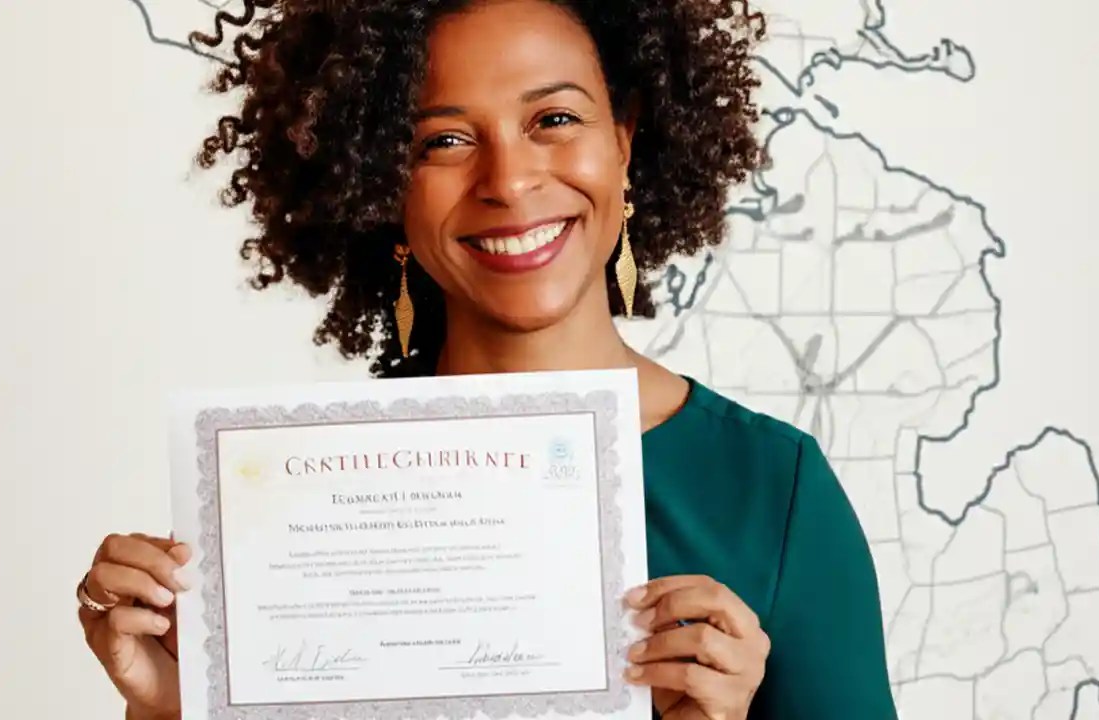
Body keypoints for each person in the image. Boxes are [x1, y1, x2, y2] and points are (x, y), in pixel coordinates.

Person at [75, 0, 899, 717]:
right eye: (445, 140)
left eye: (555, 120)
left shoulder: (773, 492)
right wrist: (171, 709)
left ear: (623, 138)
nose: (508, 179)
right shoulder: (298, 500)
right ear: (381, 184)